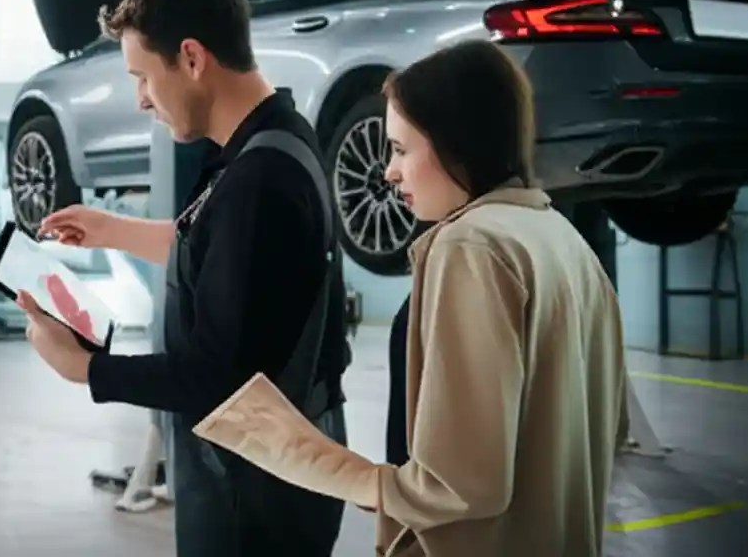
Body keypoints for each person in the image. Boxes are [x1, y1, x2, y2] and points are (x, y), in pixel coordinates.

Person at [191, 39, 629, 557]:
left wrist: (297, 449)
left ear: (456, 142)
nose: (389, 172)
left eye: (400, 149)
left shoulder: (472, 246)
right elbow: (610, 426)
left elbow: (457, 487)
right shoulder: (558, 236)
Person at [12, 0, 352, 556]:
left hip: (255, 496)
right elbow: (227, 254)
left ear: (192, 59)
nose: (141, 100)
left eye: (142, 77)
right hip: (274, 474)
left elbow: (217, 376)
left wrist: (86, 370)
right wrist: (112, 230)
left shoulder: (259, 179)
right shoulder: (274, 142)